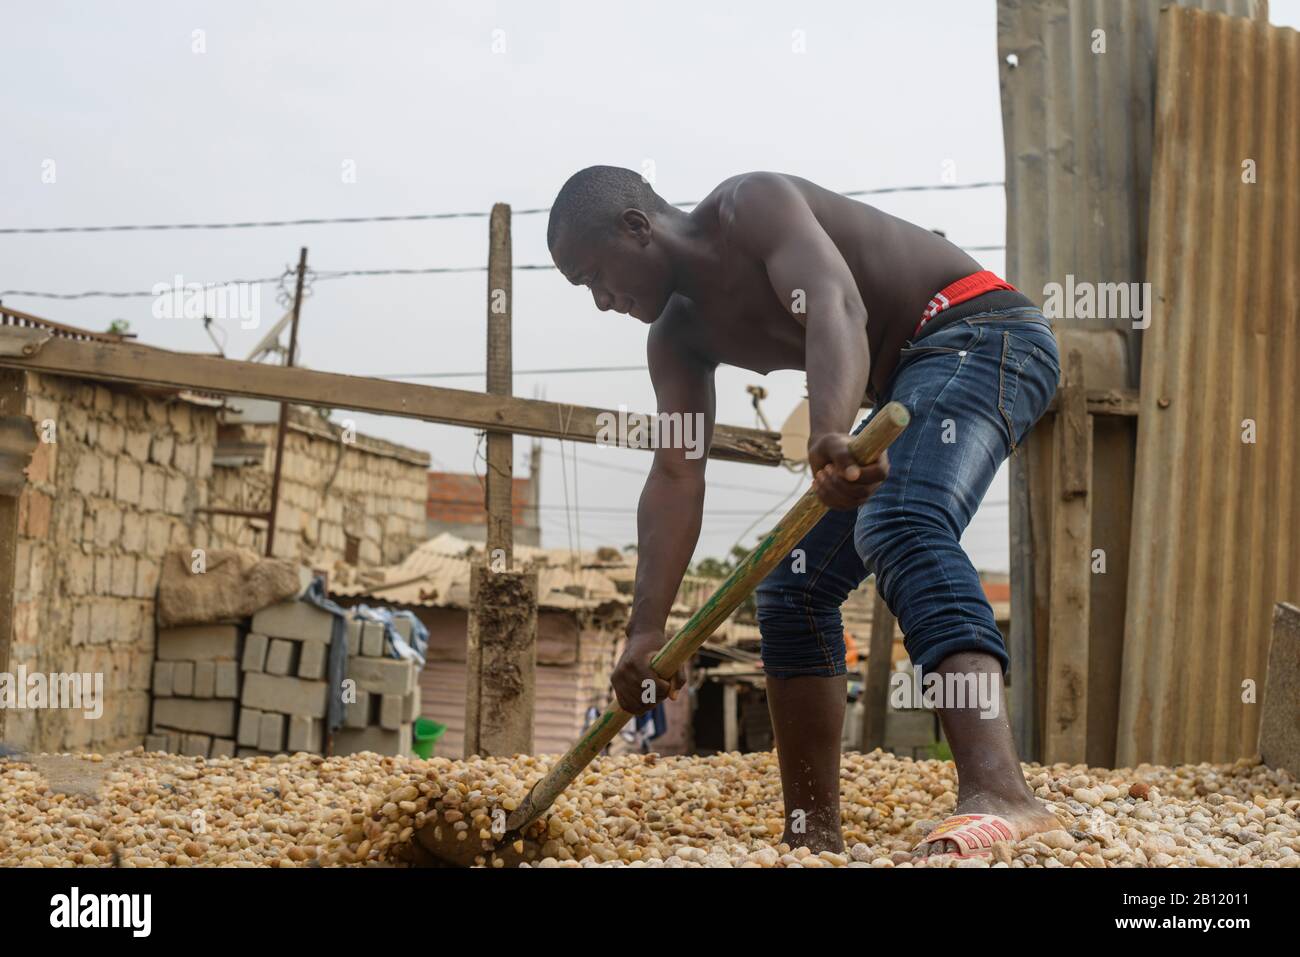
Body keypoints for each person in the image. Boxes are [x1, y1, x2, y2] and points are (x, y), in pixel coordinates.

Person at [547, 167, 1061, 858]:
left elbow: (832, 303)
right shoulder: (676, 339)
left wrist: (829, 434)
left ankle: (1002, 791)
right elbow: (676, 471)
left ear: (636, 228)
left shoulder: (750, 207)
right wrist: (644, 632)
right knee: (791, 585)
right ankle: (811, 833)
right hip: (902, 382)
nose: (603, 301)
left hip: (981, 330)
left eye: (594, 277)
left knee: (902, 519)